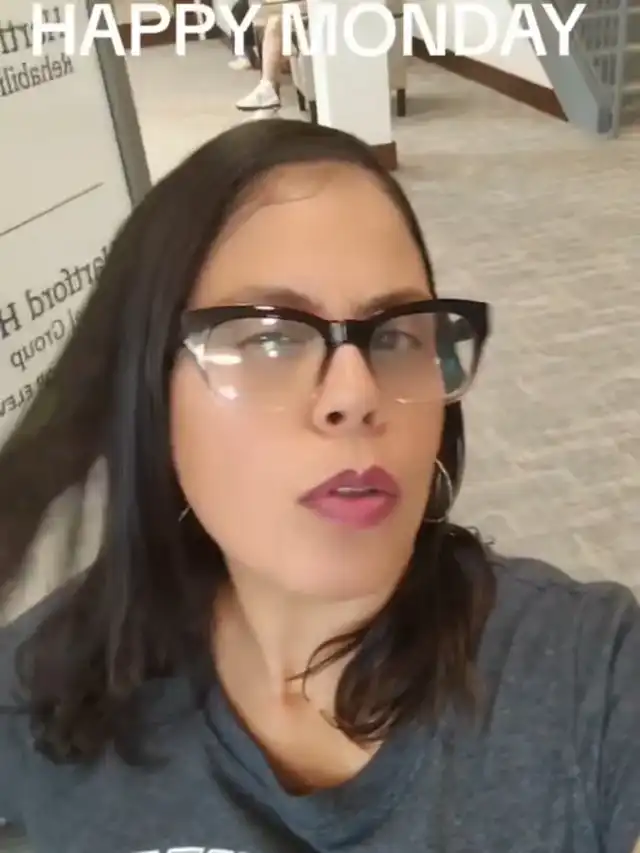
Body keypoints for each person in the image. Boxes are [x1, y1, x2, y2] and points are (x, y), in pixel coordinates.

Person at [0, 119, 638, 853]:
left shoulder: (590, 676)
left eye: (395, 335)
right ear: (149, 390)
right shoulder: (44, 689)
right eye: (271, 337)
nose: (357, 393)